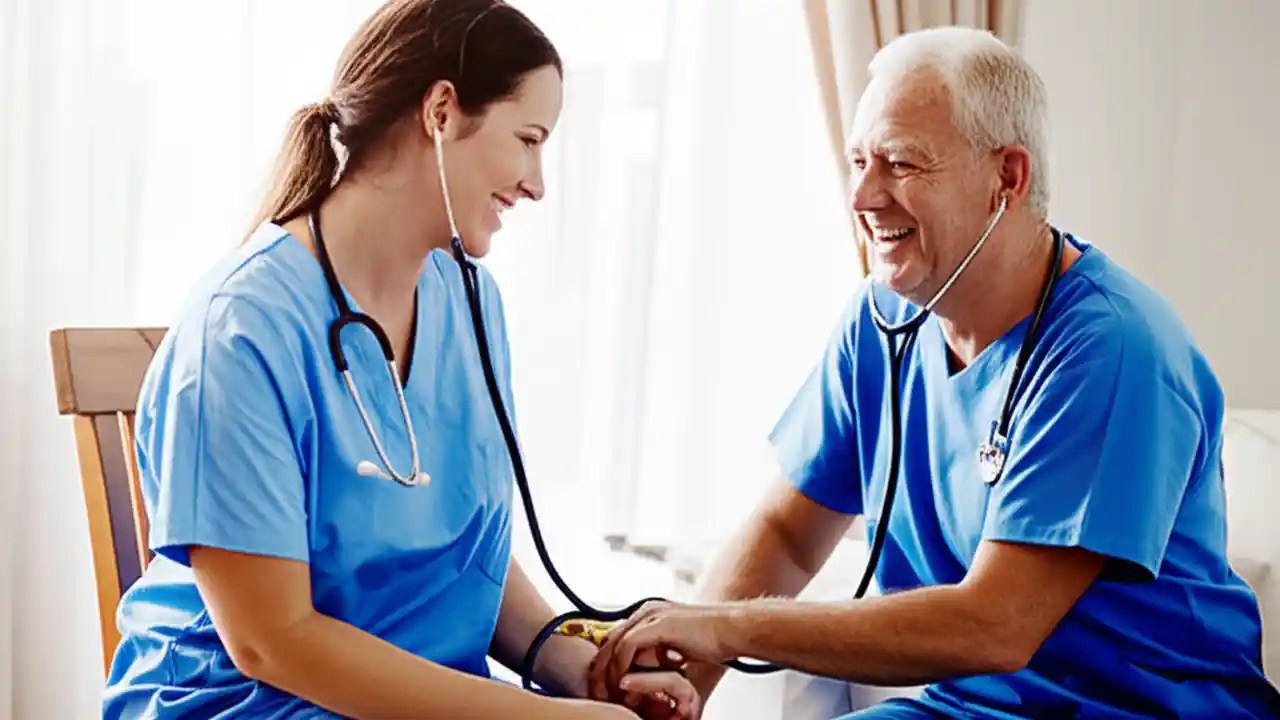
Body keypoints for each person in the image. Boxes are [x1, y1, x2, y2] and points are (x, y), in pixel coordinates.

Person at [587, 26, 1280, 719]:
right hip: (967, 709)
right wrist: (683, 680)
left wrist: (722, 626)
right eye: (859, 159)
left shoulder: (1112, 348)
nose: (862, 195)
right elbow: (788, 533)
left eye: (900, 163)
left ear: (1007, 177)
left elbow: (995, 625)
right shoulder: (881, 323)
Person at [102, 1, 698, 718]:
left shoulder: (469, 301)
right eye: (528, 139)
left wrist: (567, 662)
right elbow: (272, 644)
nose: (538, 183)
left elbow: (460, 549)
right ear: (441, 111)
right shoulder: (240, 333)